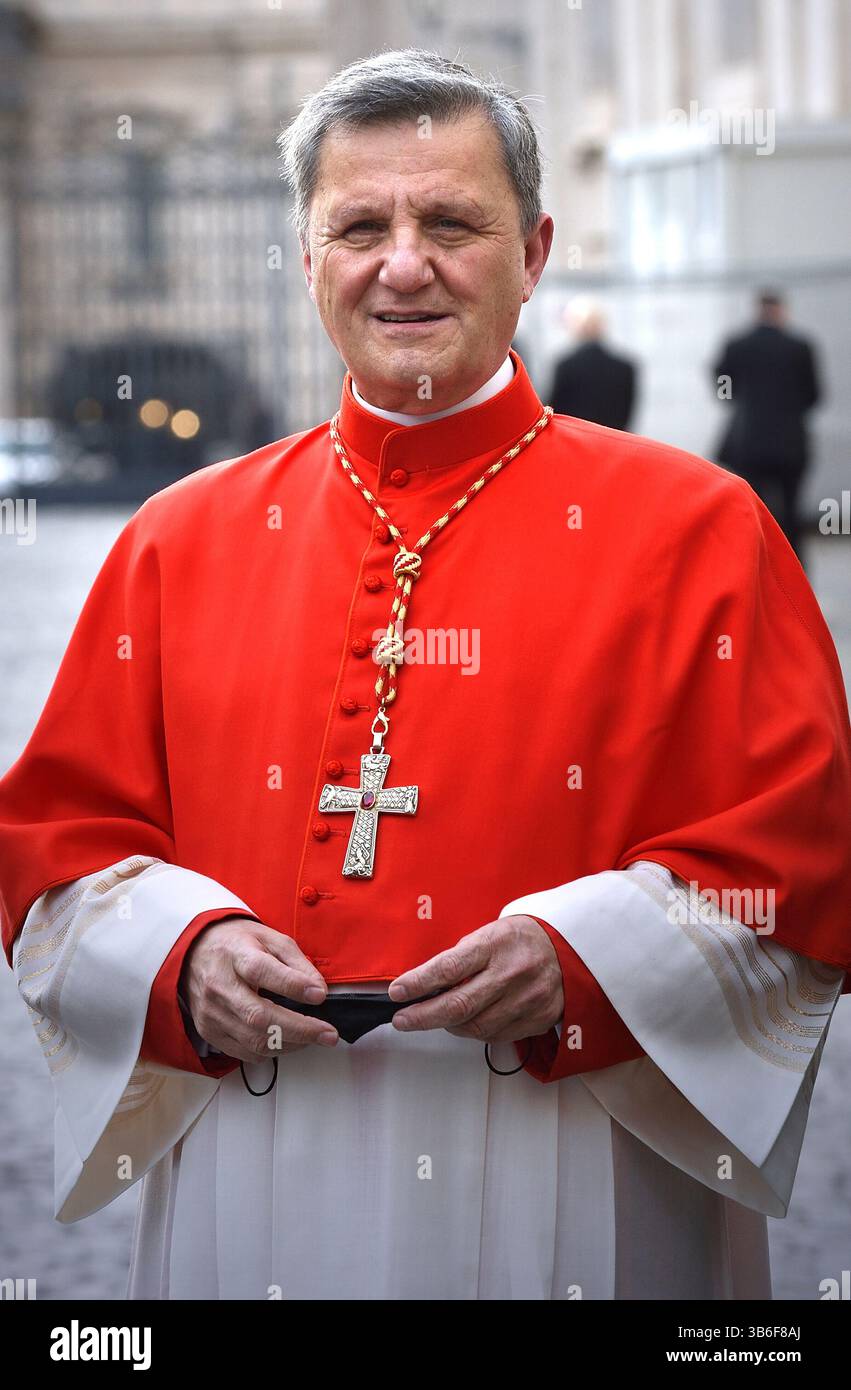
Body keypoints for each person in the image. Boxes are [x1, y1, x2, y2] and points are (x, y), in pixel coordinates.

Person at [1, 49, 850, 1303]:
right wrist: (177, 954)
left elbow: (800, 854)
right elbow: (53, 845)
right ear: (306, 257)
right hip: (254, 1156)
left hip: (578, 1159)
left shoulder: (699, 530)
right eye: (359, 226)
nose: (402, 263)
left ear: (535, 250)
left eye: (450, 221)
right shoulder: (177, 538)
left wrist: (585, 955)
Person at [712, 290, 821, 560]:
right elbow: (814, 396)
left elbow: (722, 389)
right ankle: (795, 574)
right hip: (791, 443)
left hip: (749, 442)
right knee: (792, 512)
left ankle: (758, 567)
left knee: (753, 511)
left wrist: (741, 404)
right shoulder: (800, 347)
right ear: (781, 310)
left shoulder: (737, 345)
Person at [549, 297, 637, 430]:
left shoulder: (566, 366)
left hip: (575, 441)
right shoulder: (625, 368)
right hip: (614, 442)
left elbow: (554, 411)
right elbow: (626, 414)